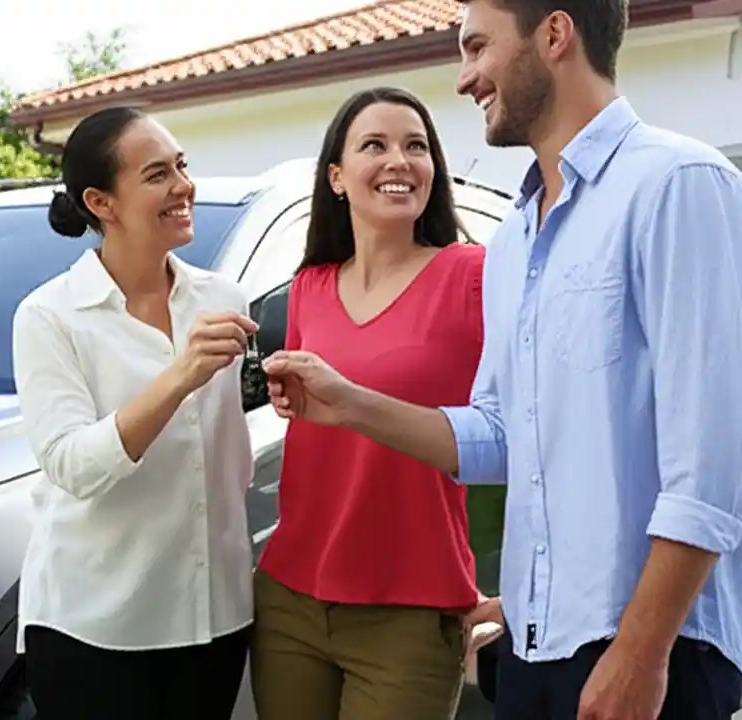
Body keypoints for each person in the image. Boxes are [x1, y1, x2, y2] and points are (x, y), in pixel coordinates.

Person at [262, 1, 742, 718]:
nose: (464, 79)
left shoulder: (677, 184)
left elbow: (710, 466)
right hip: (534, 646)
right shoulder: (517, 238)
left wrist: (640, 653)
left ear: (554, 34)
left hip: (650, 655)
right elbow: (500, 439)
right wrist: (349, 402)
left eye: (477, 48)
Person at [9, 105, 258, 720]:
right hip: (94, 630)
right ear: (101, 202)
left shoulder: (223, 299)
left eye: (181, 165)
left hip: (214, 617)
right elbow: (72, 466)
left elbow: (230, 457)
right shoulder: (49, 316)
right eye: (156, 175)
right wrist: (179, 377)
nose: (182, 186)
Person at [248, 86, 486, 720]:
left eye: (416, 146)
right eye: (374, 145)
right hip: (291, 597)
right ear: (336, 176)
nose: (398, 161)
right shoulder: (308, 286)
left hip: (410, 606)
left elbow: (523, 429)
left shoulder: (474, 275)